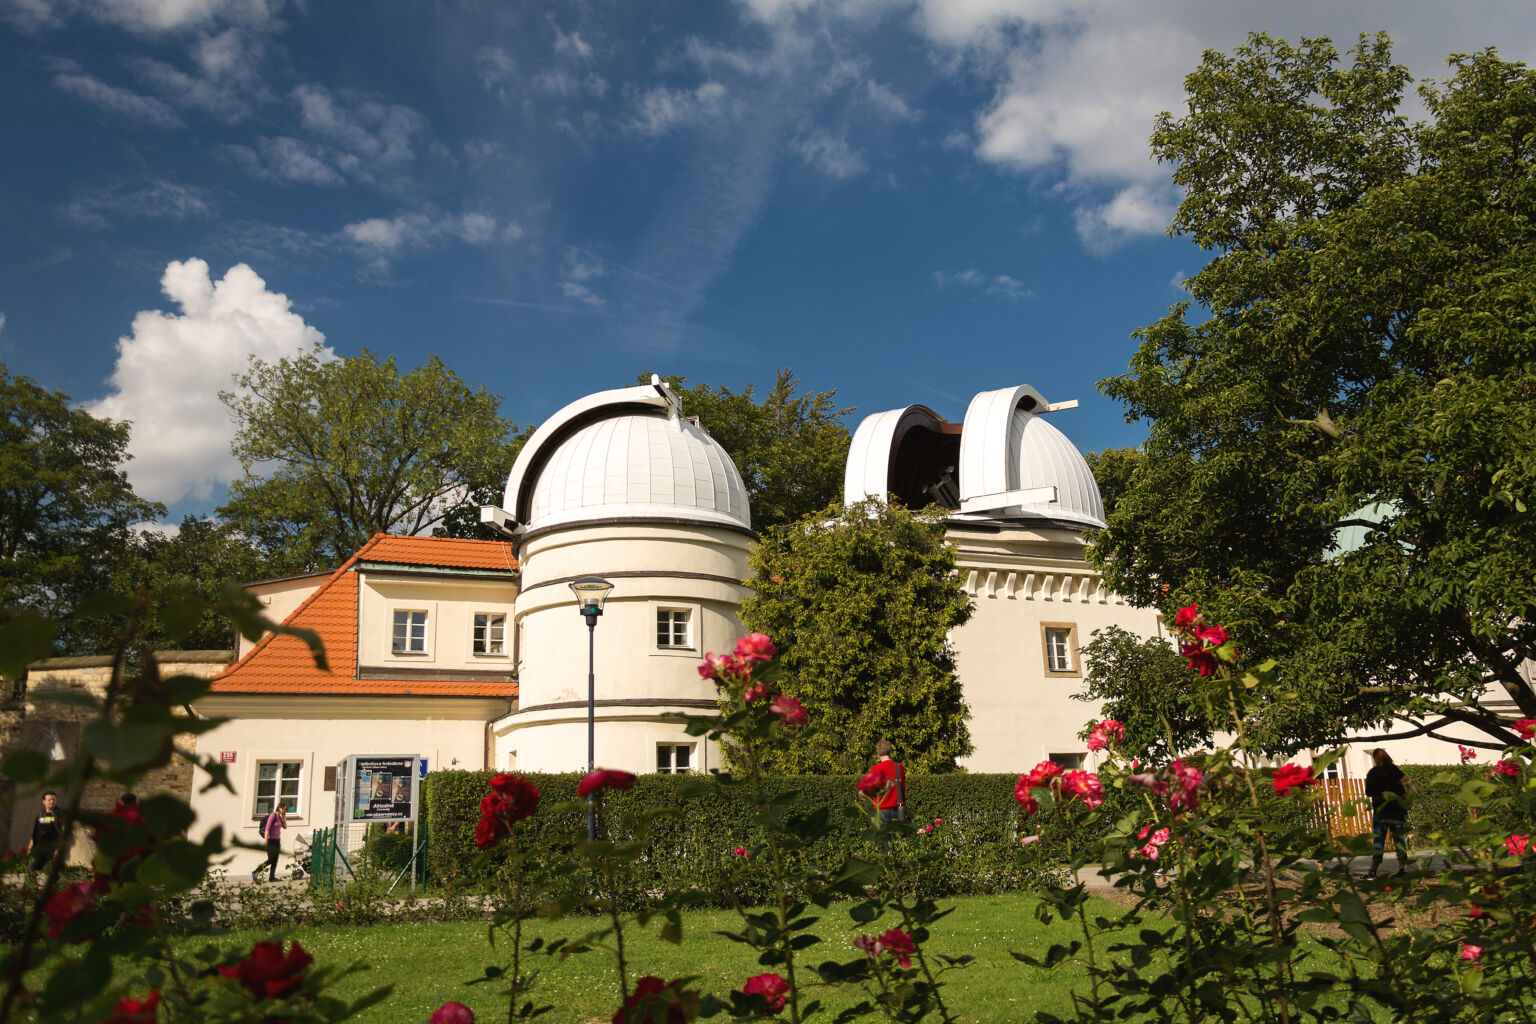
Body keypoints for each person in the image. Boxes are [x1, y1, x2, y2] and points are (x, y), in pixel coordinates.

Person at [1364, 748, 1413, 878]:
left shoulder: (1373, 773)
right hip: (1397, 810)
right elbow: (1405, 787)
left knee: (1379, 841)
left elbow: (1368, 791)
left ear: (1375, 759)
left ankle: (1373, 870)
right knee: (1399, 840)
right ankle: (1402, 869)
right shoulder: (1396, 771)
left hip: (1382, 811)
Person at [865, 740, 908, 824]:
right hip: (899, 810)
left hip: (881, 811)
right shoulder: (899, 767)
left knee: (883, 837)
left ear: (878, 754)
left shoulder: (874, 769)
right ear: (890, 753)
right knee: (899, 837)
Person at [26, 791, 64, 871]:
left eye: (53, 799)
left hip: (53, 849)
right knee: (31, 871)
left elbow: (64, 832)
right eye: (49, 800)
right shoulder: (40, 815)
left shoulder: (60, 814)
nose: (52, 802)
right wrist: (30, 848)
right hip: (39, 848)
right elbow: (35, 833)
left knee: (54, 873)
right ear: (44, 802)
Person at [253, 805, 287, 882]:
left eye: (286, 809)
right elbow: (267, 829)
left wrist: (284, 817)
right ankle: (256, 872)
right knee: (271, 859)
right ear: (279, 808)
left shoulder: (279, 818)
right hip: (270, 840)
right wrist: (266, 841)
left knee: (275, 859)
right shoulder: (273, 815)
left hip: (277, 840)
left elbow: (285, 827)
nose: (285, 811)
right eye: (284, 809)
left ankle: (272, 877)